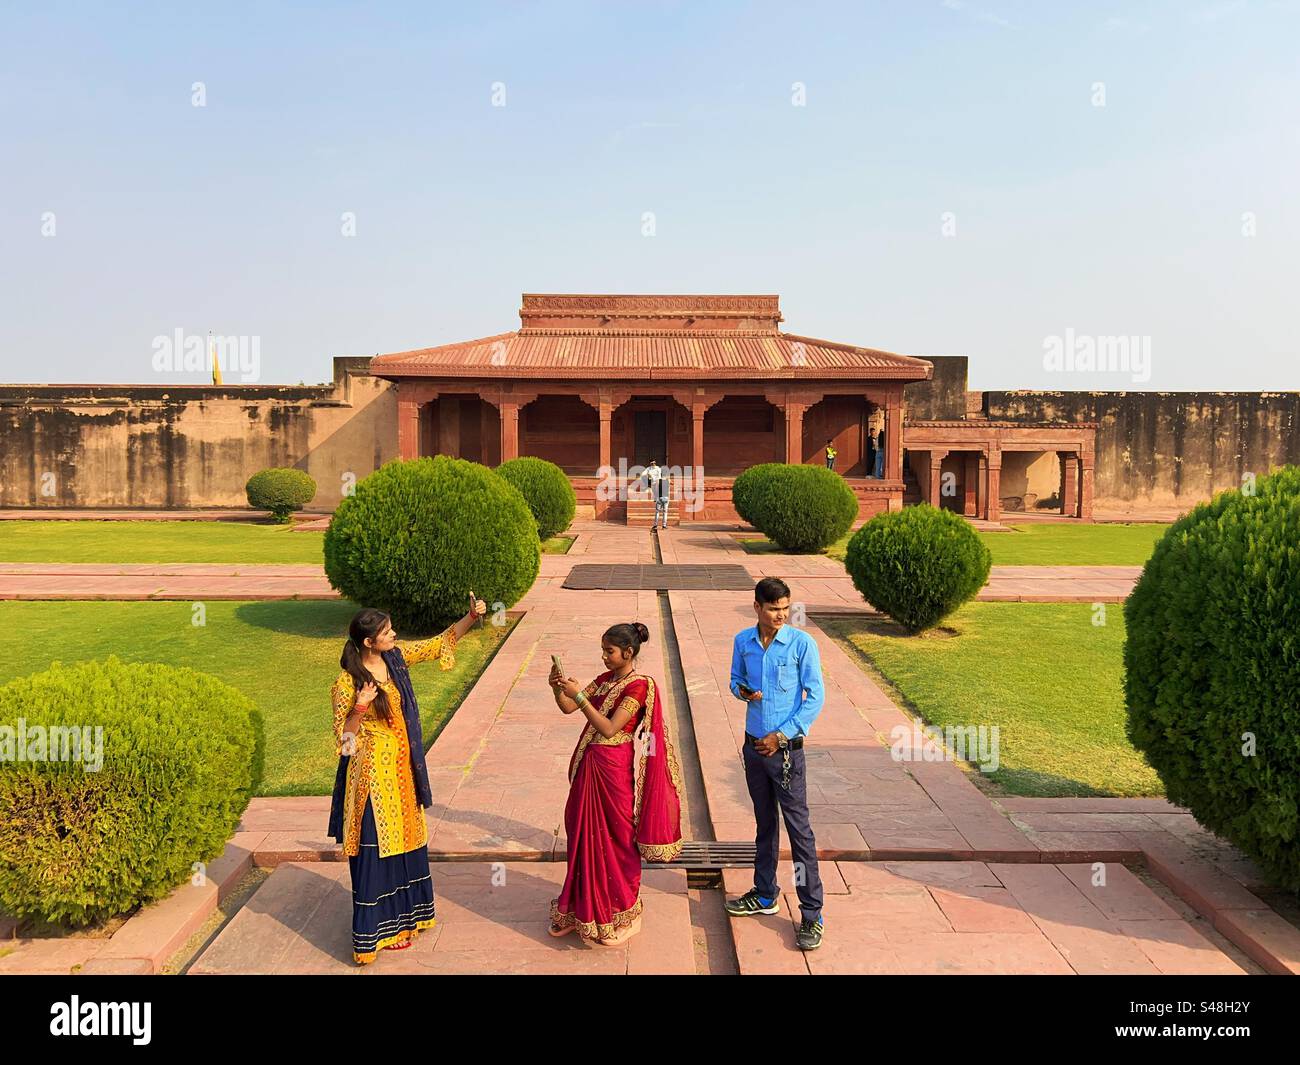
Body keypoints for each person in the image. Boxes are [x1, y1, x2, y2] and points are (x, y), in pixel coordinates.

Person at [329, 598, 485, 965]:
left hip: (402, 774)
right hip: (371, 781)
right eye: (387, 632)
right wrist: (361, 706)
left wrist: (472, 616)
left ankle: (407, 917)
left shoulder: (394, 659)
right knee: (377, 848)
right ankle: (374, 935)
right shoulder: (346, 684)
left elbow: (436, 644)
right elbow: (344, 742)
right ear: (369, 642)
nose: (394, 634)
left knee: (406, 844)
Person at [547, 622, 684, 945]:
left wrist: (580, 696)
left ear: (629, 652)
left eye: (609, 652)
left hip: (613, 770)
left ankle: (624, 911)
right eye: (604, 651)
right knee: (582, 834)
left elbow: (609, 728)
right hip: (590, 768)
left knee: (617, 838)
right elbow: (568, 707)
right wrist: (557, 687)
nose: (604, 657)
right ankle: (581, 909)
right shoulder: (606, 681)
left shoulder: (638, 687)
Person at [724, 577, 827, 951]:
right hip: (753, 749)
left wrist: (781, 735)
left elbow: (814, 697)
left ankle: (811, 914)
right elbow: (734, 680)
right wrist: (743, 691)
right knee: (764, 825)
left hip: (785, 752)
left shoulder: (801, 644)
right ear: (757, 607)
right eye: (773, 609)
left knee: (800, 832)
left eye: (785, 608)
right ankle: (765, 893)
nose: (781, 615)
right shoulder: (743, 642)